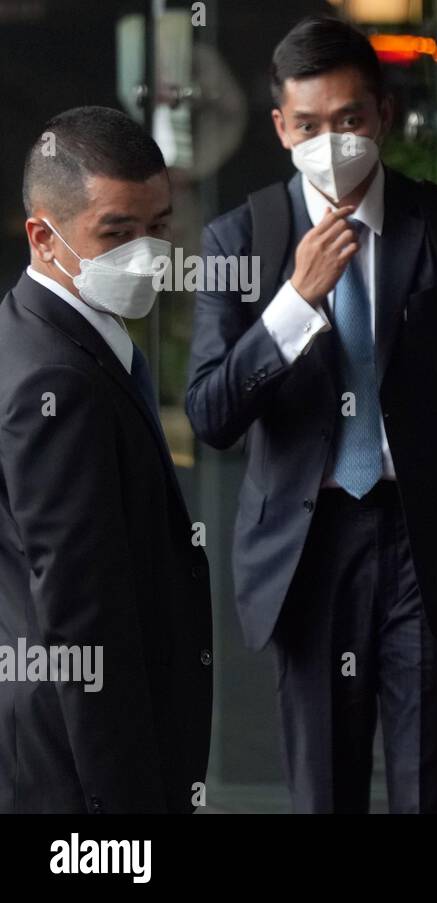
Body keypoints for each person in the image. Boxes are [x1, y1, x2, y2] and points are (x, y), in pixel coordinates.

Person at [186, 16, 437, 813]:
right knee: (325, 792)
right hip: (308, 553)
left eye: (348, 120)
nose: (331, 140)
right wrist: (292, 303)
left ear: (381, 115)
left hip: (425, 544)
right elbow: (211, 414)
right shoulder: (241, 238)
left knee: (430, 787)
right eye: (308, 124)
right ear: (280, 128)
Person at [0, 106, 212, 813]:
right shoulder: (52, 380)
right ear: (43, 234)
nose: (147, 252)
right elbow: (80, 614)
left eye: (158, 226)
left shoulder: (38, 332)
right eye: (117, 233)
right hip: (80, 769)